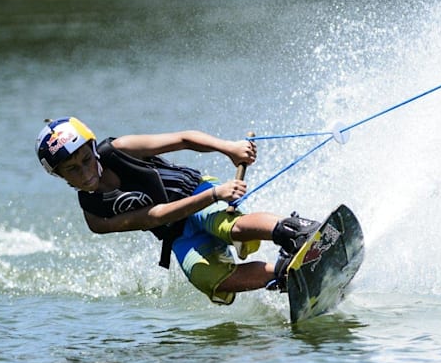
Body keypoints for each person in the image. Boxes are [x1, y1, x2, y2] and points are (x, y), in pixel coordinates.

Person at [35, 116, 323, 306]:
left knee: (229, 227)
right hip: (179, 233)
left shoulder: (119, 149)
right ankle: (287, 274)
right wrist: (216, 193)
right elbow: (155, 216)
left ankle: (298, 232)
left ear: (93, 148)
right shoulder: (95, 217)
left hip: (197, 191)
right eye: (72, 170)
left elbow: (184, 138)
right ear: (59, 176)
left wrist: (229, 149)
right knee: (208, 280)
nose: (85, 173)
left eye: (86, 159)